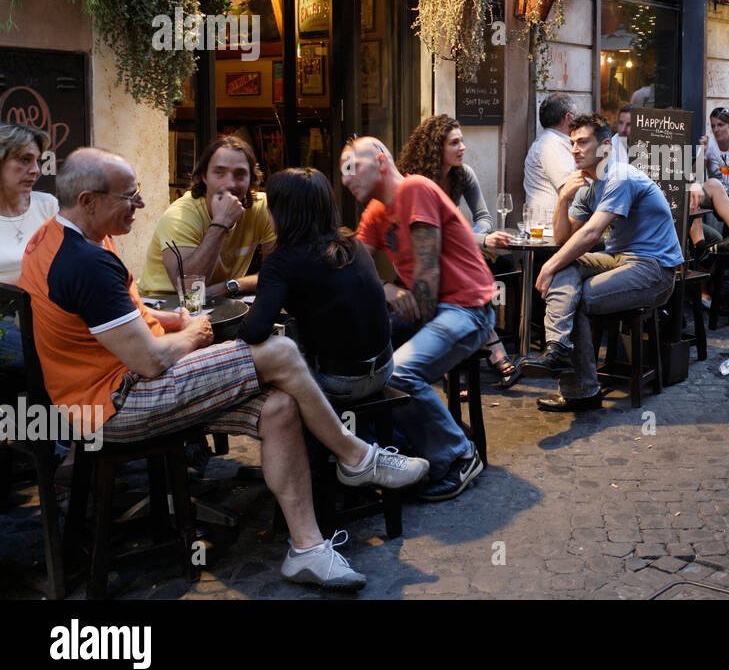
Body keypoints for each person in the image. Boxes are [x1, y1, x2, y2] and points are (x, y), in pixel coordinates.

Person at [18, 148, 427, 590]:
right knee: (280, 352)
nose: (140, 204)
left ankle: (307, 551)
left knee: (282, 405)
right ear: (88, 200)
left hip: (111, 391)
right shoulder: (87, 263)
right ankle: (356, 457)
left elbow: (124, 322)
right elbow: (148, 359)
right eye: (129, 196)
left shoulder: (66, 238)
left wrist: (179, 322)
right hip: (116, 404)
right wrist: (195, 333)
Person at [342, 136, 493, 501]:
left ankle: (458, 456)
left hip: (467, 309)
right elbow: (353, 271)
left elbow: (425, 290)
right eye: (342, 171)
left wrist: (388, 293)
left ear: (380, 161)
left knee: (397, 372)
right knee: (353, 363)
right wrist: (387, 290)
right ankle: (399, 450)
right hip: (431, 310)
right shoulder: (377, 212)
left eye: (352, 166)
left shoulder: (415, 189)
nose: (346, 178)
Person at [518, 114, 683, 411]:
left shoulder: (619, 176)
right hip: (618, 260)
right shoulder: (587, 186)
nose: (575, 149)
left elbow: (592, 233)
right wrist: (564, 198)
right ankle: (558, 348)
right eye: (572, 143)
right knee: (566, 267)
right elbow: (564, 238)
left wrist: (549, 265)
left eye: (583, 142)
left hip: (654, 269)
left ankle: (581, 388)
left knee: (573, 290)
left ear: (605, 146)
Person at [239, 168, 393, 403]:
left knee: (264, 370)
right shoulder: (353, 244)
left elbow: (253, 333)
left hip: (337, 383)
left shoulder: (280, 262)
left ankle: (307, 438)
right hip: (384, 369)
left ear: (279, 213)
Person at [397, 116, 521, 389]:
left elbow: (485, 217)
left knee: (492, 264)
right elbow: (423, 238)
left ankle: (457, 358)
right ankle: (489, 350)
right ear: (435, 147)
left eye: (462, 140)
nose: (463, 147)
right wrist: (476, 239)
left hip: (453, 252)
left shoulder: (462, 175)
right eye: (454, 142)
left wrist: (471, 237)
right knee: (460, 275)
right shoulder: (417, 182)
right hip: (424, 256)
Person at [140, 135, 276, 298]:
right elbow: (189, 289)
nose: (230, 183)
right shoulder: (180, 216)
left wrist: (232, 286)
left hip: (218, 303)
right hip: (164, 304)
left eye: (240, 174)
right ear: (204, 176)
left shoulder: (262, 208)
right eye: (219, 172)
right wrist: (221, 223)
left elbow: (277, 273)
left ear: (252, 179)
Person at [0, 123, 58, 371]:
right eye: (24, 160)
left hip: (47, 314)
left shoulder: (47, 206)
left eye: (37, 161)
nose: (35, 170)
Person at [523, 93, 577, 220]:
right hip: (547, 231)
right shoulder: (551, 144)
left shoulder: (554, 141)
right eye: (576, 116)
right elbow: (570, 189)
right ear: (568, 118)